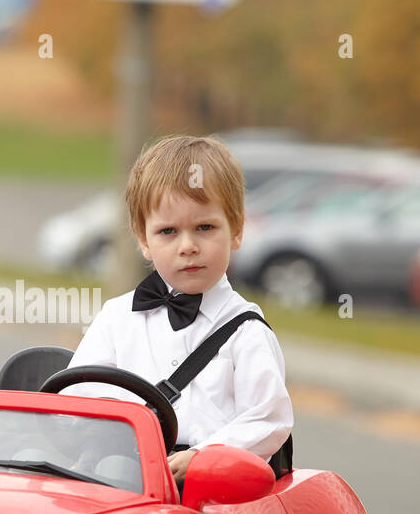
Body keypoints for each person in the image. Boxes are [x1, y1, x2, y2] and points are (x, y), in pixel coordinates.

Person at [66, 135, 293, 491]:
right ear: (144, 241)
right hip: (123, 478)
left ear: (236, 229)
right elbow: (79, 395)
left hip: (212, 490)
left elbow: (268, 419)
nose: (188, 246)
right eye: (168, 232)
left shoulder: (247, 332)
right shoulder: (116, 317)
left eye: (205, 227)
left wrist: (205, 456)